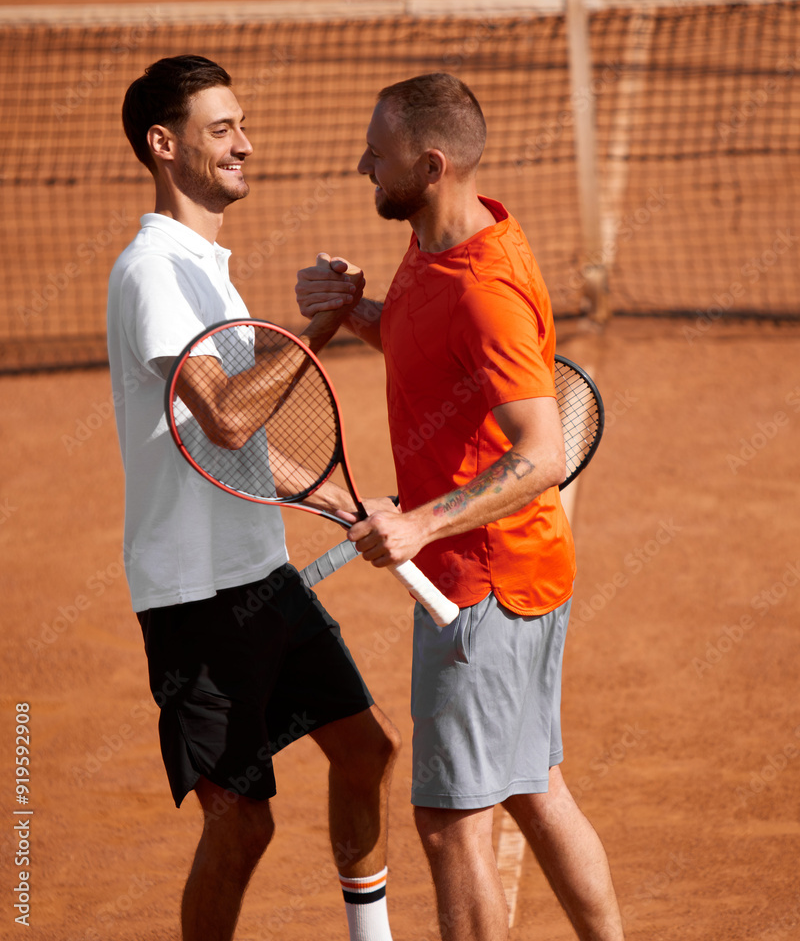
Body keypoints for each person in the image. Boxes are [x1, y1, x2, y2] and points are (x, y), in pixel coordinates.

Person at [296, 73, 625, 941]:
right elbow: (434, 344)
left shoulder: (484, 288)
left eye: (380, 151)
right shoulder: (437, 240)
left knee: (449, 823)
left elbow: (542, 452)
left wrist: (419, 522)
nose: (363, 160)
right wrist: (356, 311)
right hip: (515, 573)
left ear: (432, 164)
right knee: (533, 788)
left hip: (482, 589)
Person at [107, 55, 401, 941]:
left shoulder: (210, 271)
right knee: (241, 820)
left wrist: (324, 496)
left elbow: (224, 449)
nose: (244, 143)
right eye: (221, 127)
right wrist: (320, 325)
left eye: (243, 124)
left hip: (261, 576)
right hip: (197, 599)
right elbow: (231, 420)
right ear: (164, 146)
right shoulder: (152, 269)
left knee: (366, 751)